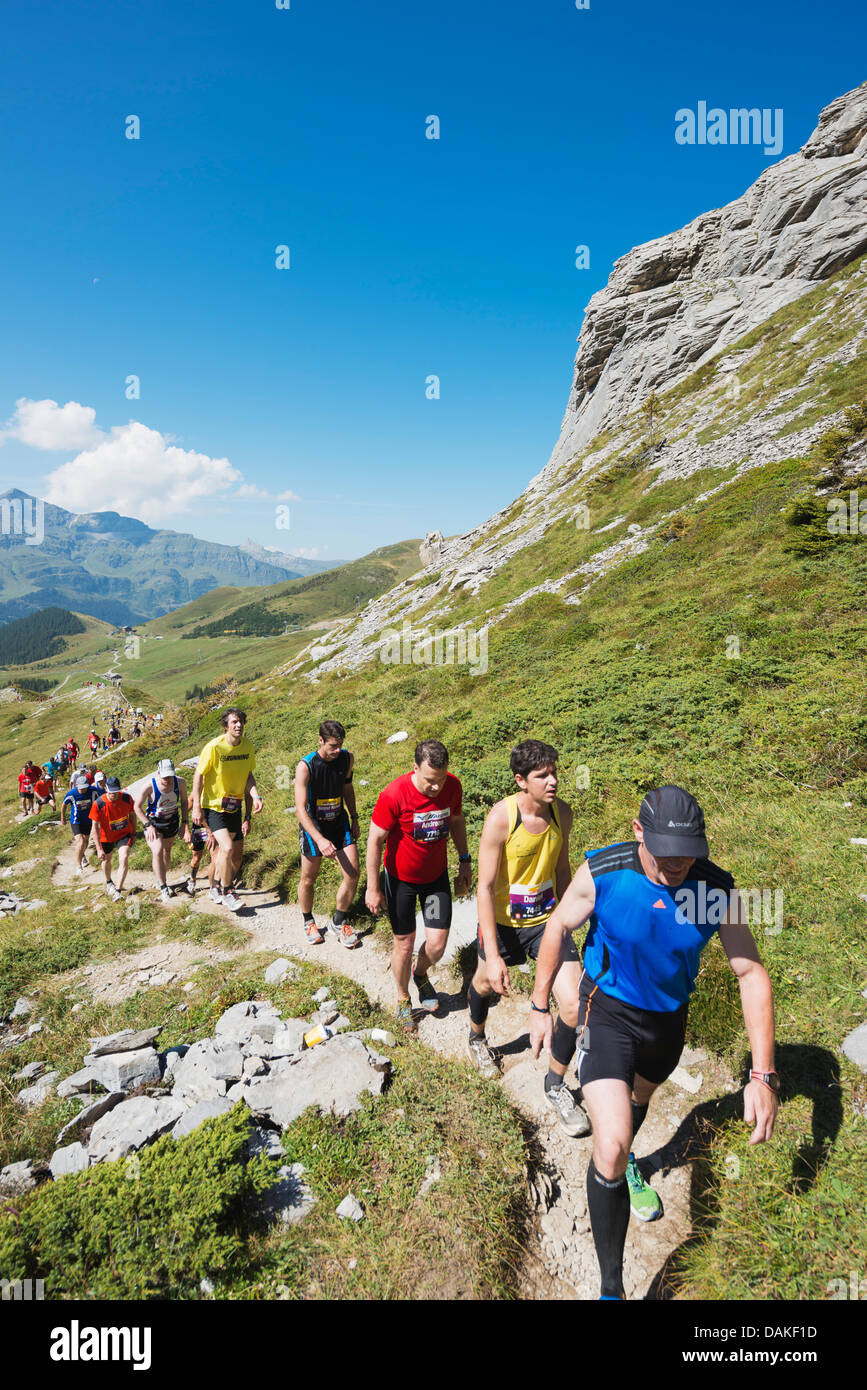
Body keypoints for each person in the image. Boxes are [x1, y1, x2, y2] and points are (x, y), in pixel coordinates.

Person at [529, 785, 779, 1301]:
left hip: (668, 1022)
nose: (678, 864)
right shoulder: (606, 871)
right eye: (666, 852)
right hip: (608, 1010)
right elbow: (557, 925)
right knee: (612, 1142)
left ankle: (628, 1168)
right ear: (639, 832)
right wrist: (538, 1005)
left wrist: (761, 1074)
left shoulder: (712, 889)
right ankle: (612, 1288)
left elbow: (751, 973)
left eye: (689, 853)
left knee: (639, 1104)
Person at [467, 740, 590, 1136]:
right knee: (485, 982)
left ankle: (554, 1084)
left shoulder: (563, 814)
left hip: (547, 922)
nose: (553, 781)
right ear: (521, 781)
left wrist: (571, 919)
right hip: (502, 923)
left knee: (573, 1004)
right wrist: (492, 949)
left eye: (555, 772)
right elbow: (484, 887)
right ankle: (476, 1036)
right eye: (542, 776)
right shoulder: (501, 819)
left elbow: (564, 867)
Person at [365, 739, 471, 1030]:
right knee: (404, 942)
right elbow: (375, 841)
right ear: (415, 768)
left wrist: (464, 859)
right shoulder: (394, 793)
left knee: (436, 945)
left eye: (441, 779)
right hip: (400, 882)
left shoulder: (453, 786)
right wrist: (373, 887)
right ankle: (402, 997)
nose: (436, 787)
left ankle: (420, 973)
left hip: (434, 880)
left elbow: (457, 821)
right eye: (429, 781)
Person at [294, 720, 360, 947]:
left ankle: (338, 921)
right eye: (332, 745)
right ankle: (308, 920)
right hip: (315, 827)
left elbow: (347, 788)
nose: (337, 750)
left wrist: (355, 817)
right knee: (309, 878)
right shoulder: (306, 766)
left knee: (353, 874)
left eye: (340, 744)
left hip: (339, 823)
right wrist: (320, 840)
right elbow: (300, 809)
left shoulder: (346, 758)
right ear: (320, 740)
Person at [191, 707, 262, 913]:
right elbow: (198, 775)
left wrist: (255, 796)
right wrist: (196, 807)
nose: (238, 725)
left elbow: (248, 775)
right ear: (226, 726)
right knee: (227, 848)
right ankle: (228, 891)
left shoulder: (247, 746)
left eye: (240, 721)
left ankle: (215, 887)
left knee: (226, 852)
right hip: (213, 806)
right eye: (234, 722)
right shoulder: (214, 747)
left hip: (235, 805)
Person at [134, 759, 190, 904]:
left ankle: (162, 879)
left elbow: (184, 802)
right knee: (157, 850)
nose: (167, 780)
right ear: (158, 773)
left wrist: (184, 823)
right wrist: (148, 825)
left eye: (170, 776)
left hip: (171, 821)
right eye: (164, 777)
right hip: (154, 824)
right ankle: (163, 886)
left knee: (167, 851)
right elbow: (137, 807)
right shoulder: (149, 786)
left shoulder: (180, 783)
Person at [89, 776, 137, 900]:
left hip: (124, 834)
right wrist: (98, 849)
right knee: (106, 860)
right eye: (111, 792)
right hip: (106, 836)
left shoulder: (127, 798)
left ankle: (118, 889)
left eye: (116, 791)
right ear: (105, 789)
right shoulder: (99, 803)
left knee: (124, 856)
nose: (114, 794)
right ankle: (109, 881)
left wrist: (134, 833)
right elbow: (94, 827)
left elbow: (132, 815)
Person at [62, 772, 96, 876]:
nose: (83, 790)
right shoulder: (72, 793)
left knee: (85, 842)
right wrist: (63, 818)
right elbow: (64, 805)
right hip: (76, 821)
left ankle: (81, 855)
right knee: (80, 841)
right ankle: (79, 867)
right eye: (81, 788)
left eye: (85, 787)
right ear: (77, 786)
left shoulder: (92, 791)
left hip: (88, 820)